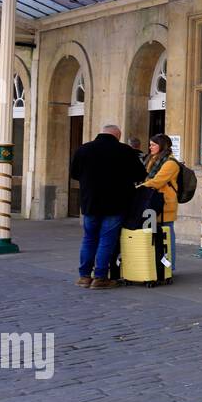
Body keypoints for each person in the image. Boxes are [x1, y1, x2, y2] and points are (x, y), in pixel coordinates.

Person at [69, 123, 145, 288]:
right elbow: (140, 174)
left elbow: (74, 173)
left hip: (90, 202)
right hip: (115, 203)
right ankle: (101, 276)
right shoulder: (125, 151)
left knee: (89, 238)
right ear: (117, 136)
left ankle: (84, 276)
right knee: (106, 239)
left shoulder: (83, 149)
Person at [137, 133, 180, 273]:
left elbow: (158, 181)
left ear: (162, 145)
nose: (150, 147)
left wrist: (138, 188)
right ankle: (155, 265)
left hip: (164, 203)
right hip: (151, 203)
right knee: (153, 237)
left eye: (153, 144)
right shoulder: (151, 159)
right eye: (150, 144)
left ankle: (169, 267)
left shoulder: (170, 163)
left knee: (167, 235)